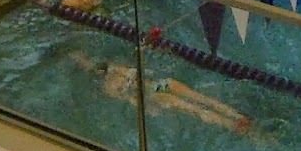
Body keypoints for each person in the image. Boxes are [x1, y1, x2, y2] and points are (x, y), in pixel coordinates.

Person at [71, 52, 256, 135]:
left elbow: (129, 99)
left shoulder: (109, 85)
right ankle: (237, 118)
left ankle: (233, 125)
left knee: (196, 108)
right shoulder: (115, 72)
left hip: (154, 93)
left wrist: (147, 108)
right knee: (199, 101)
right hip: (159, 86)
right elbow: (138, 80)